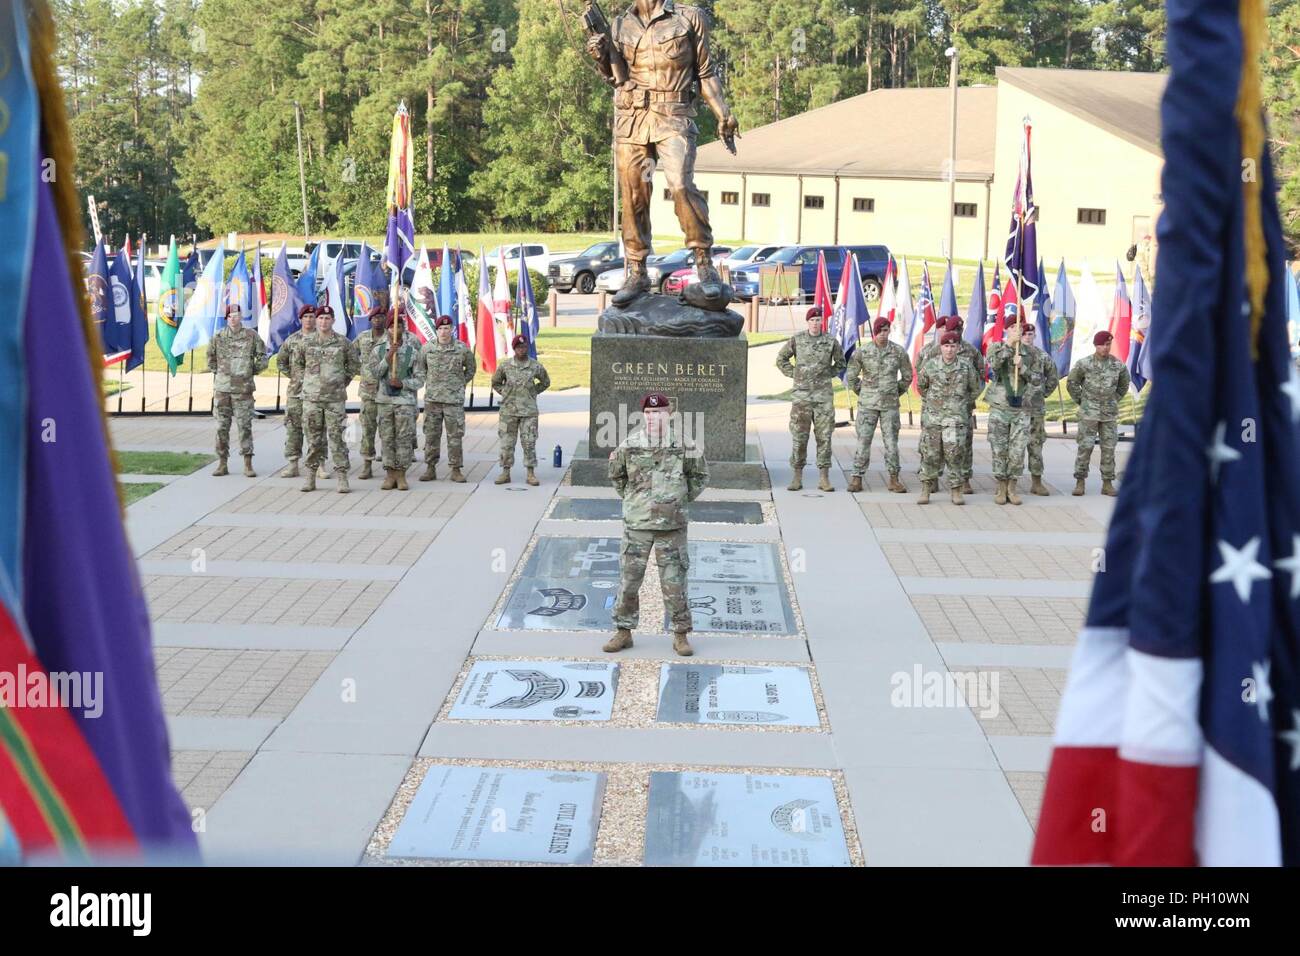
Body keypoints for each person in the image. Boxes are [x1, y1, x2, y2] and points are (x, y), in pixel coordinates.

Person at [585, 0, 740, 306]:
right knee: (633, 195)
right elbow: (614, 76)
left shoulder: (689, 17)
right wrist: (601, 56)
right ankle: (637, 269)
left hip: (674, 116)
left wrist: (723, 113)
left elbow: (706, 73)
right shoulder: (619, 25)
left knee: (680, 185)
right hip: (632, 119)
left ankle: (703, 262)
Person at [606, 392, 708, 657]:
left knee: (674, 583)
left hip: (671, 526)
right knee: (629, 581)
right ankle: (623, 631)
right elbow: (617, 475)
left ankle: (680, 635)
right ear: (643, 415)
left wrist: (678, 501)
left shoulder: (685, 443)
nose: (653, 418)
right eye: (649, 413)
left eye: (658, 413)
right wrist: (633, 501)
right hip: (637, 524)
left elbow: (699, 475)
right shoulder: (630, 443)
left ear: (669, 414)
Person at [776, 306, 846, 491]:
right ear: (807, 322)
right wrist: (796, 374)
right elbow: (781, 359)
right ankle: (797, 477)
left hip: (823, 397)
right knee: (800, 437)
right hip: (802, 397)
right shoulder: (797, 340)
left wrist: (826, 375)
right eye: (812, 320)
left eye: (818, 320)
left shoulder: (830, 341)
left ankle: (824, 478)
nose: (815, 323)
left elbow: (840, 363)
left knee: (824, 437)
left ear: (822, 322)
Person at [296, 305, 361, 493]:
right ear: (316, 321)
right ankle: (310, 476)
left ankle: (342, 477)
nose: (323, 322)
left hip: (334, 400)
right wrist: (308, 382)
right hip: (312, 399)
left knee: (338, 439)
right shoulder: (305, 342)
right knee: (314, 440)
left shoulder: (343, 343)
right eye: (320, 318)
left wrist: (341, 382)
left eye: (327, 318)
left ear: (333, 320)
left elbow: (353, 365)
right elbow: (298, 365)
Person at [844, 316, 912, 493]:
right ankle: (857, 478)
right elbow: (851, 376)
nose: (882, 334)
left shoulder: (898, 352)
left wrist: (895, 391)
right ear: (874, 332)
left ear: (889, 331)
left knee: (891, 443)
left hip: (890, 405)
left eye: (885, 330)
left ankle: (894, 479)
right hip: (868, 405)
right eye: (879, 331)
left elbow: (907, 376)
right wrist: (863, 391)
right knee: (863, 442)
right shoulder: (863, 351)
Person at [917, 331, 980, 505]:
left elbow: (975, 388)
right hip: (934, 420)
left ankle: (956, 491)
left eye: (953, 346)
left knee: (955, 455)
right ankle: (926, 490)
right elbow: (921, 386)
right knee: (930, 455)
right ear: (941, 347)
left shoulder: (966, 367)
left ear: (958, 347)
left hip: (954, 420)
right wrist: (933, 403)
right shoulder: (930, 365)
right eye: (946, 346)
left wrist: (961, 404)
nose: (950, 350)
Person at [1066, 329, 1130, 496]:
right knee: (1085, 447)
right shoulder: (1084, 364)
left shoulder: (1118, 365)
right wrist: (1082, 401)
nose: (1106, 348)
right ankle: (1080, 482)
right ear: (1096, 345)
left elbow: (1124, 384)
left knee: (1108, 448)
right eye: (1103, 344)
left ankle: (1107, 483)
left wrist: (1114, 399)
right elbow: (1072, 382)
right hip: (1089, 413)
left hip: (1109, 414)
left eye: (1109, 344)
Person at [208, 302, 268, 477]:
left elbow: (263, 356)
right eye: (230, 317)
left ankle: (248, 464)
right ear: (226, 319)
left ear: (241, 317)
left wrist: (251, 371)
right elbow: (210, 359)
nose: (233, 319)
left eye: (236, 316)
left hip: (243, 389)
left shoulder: (251, 336)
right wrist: (220, 373)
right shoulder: (218, 336)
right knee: (221, 427)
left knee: (245, 426)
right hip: (222, 389)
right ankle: (222, 463)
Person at [369, 311, 425, 491]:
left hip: (404, 402)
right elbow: (375, 373)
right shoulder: (378, 350)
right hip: (384, 401)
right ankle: (389, 473)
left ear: (403, 328)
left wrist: (403, 383)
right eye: (392, 326)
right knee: (387, 437)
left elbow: (420, 379)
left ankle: (401, 474)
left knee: (403, 438)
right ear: (388, 329)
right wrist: (388, 357)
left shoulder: (412, 352)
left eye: (398, 326)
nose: (395, 329)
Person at [420, 314, 476, 482]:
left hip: (454, 401)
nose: (444, 332)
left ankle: (456, 469)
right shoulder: (427, 348)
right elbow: (420, 368)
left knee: (455, 436)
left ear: (452, 330)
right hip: (433, 400)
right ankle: (430, 468)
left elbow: (471, 369)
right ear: (436, 330)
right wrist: (430, 383)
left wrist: (459, 384)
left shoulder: (461, 348)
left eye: (447, 328)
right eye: (441, 329)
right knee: (431, 435)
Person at [491, 335, 550, 486]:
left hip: (528, 412)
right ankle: (505, 472)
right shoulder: (505, 366)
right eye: (518, 348)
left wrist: (533, 392)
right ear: (514, 349)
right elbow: (496, 382)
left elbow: (545, 382)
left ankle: (530, 473)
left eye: (524, 348)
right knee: (507, 443)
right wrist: (505, 393)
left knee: (529, 442)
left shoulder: (535, 366)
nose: (521, 350)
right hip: (508, 412)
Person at [984, 328, 1030, 505]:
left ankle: (1012, 487)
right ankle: (1001, 487)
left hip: (1021, 409)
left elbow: (1038, 379)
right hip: (999, 407)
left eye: (1019, 329)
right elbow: (994, 366)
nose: (1017, 332)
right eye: (1012, 329)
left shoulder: (1029, 352)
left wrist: (1022, 368)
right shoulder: (995, 347)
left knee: (1017, 451)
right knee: (999, 449)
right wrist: (1009, 346)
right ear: (1007, 330)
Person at [1018, 320, 1060, 495]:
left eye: (1030, 334)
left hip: (1035, 409)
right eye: (1025, 334)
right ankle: (1010, 483)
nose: (1028, 337)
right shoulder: (1015, 355)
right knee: (1015, 446)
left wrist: (1042, 393)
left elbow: (1052, 377)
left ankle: (1036, 482)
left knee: (1035, 445)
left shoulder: (1042, 357)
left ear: (1035, 336)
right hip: (1017, 409)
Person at [278, 304, 315, 478]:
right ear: (301, 319)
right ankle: (293, 464)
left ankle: (319, 464)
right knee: (293, 428)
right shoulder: (292, 340)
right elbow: (281, 362)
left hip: (316, 393)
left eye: (312, 316)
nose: (309, 319)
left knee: (316, 429)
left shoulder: (321, 339)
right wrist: (295, 377)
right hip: (295, 392)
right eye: (306, 316)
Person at [355, 307, 389, 480]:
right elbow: (350, 356)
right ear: (370, 320)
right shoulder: (362, 338)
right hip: (368, 392)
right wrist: (360, 372)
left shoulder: (391, 338)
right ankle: (367, 464)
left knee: (387, 430)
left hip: (387, 392)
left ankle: (389, 464)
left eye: (381, 317)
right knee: (368, 430)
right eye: (375, 317)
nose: (378, 320)